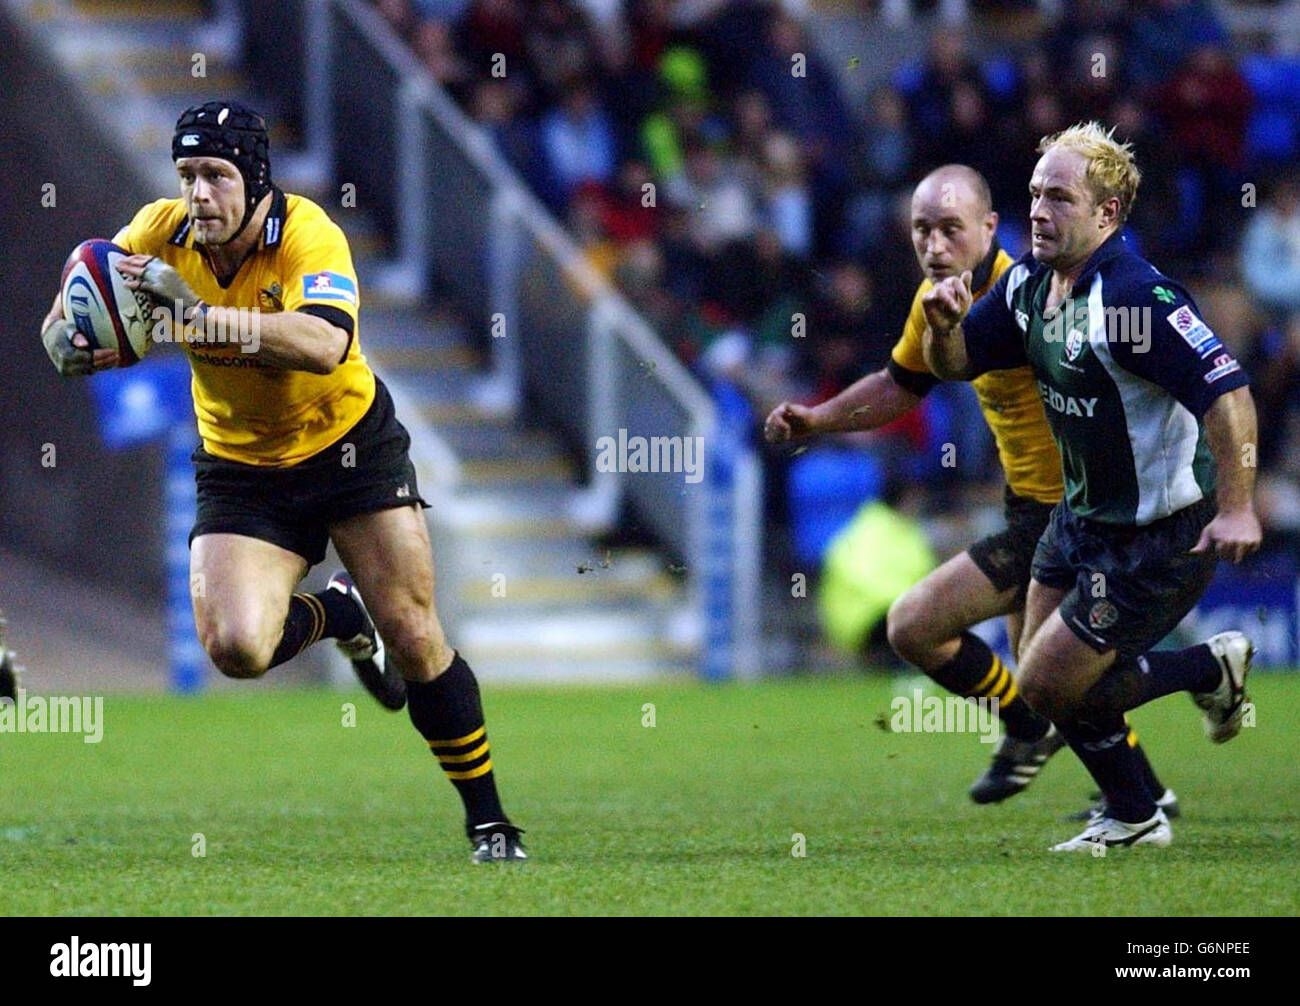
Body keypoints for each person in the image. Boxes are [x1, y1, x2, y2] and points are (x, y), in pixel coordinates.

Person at [39, 100, 525, 863]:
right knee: (236, 648)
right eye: (188, 174)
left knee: (415, 635)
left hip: (347, 446)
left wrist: (200, 317)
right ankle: (336, 615)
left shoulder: (306, 232)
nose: (198, 193)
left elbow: (325, 342)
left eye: (217, 175)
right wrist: (74, 337)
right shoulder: (158, 232)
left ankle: (489, 822)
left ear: (255, 178)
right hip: (241, 466)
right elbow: (99, 308)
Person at [765, 164, 1177, 815]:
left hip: (1068, 513)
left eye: (950, 228)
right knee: (1050, 671)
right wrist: (817, 418)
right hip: (1030, 505)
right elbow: (902, 383)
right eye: (921, 230)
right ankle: (1142, 789)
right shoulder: (937, 299)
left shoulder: (1030, 293)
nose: (933, 245)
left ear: (989, 227)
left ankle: (1051, 724)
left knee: (916, 624)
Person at [923, 121, 1259, 850]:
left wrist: (1237, 507)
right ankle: (1140, 805)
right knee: (1043, 682)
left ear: (1106, 215)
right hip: (1080, 517)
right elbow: (953, 364)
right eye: (1036, 193)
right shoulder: (1026, 284)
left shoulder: (1137, 299)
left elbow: (1228, 394)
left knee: (1047, 684)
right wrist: (943, 326)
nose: (1039, 211)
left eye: (1061, 198)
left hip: (1161, 532)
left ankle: (1187, 705)